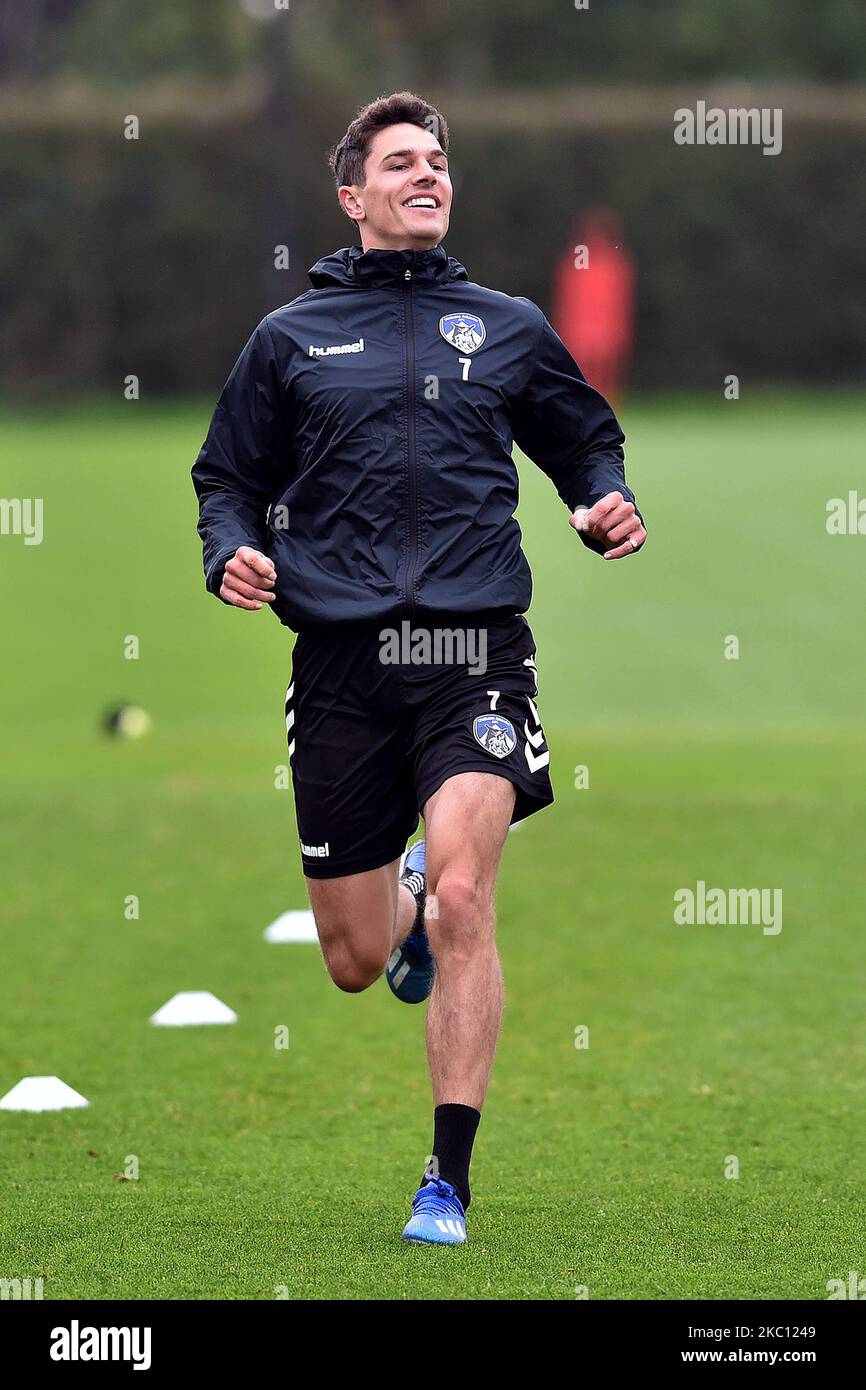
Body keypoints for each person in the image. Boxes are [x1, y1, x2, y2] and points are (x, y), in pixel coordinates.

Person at [191, 91, 646, 1246]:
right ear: (352, 197)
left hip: (472, 648)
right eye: (400, 162)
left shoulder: (502, 324)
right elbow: (225, 476)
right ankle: (389, 912)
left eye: (437, 161)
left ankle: (443, 1178)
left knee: (461, 894)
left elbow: (580, 433)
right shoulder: (289, 339)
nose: (426, 174)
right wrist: (232, 550)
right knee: (350, 959)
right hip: (340, 660)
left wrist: (601, 496)